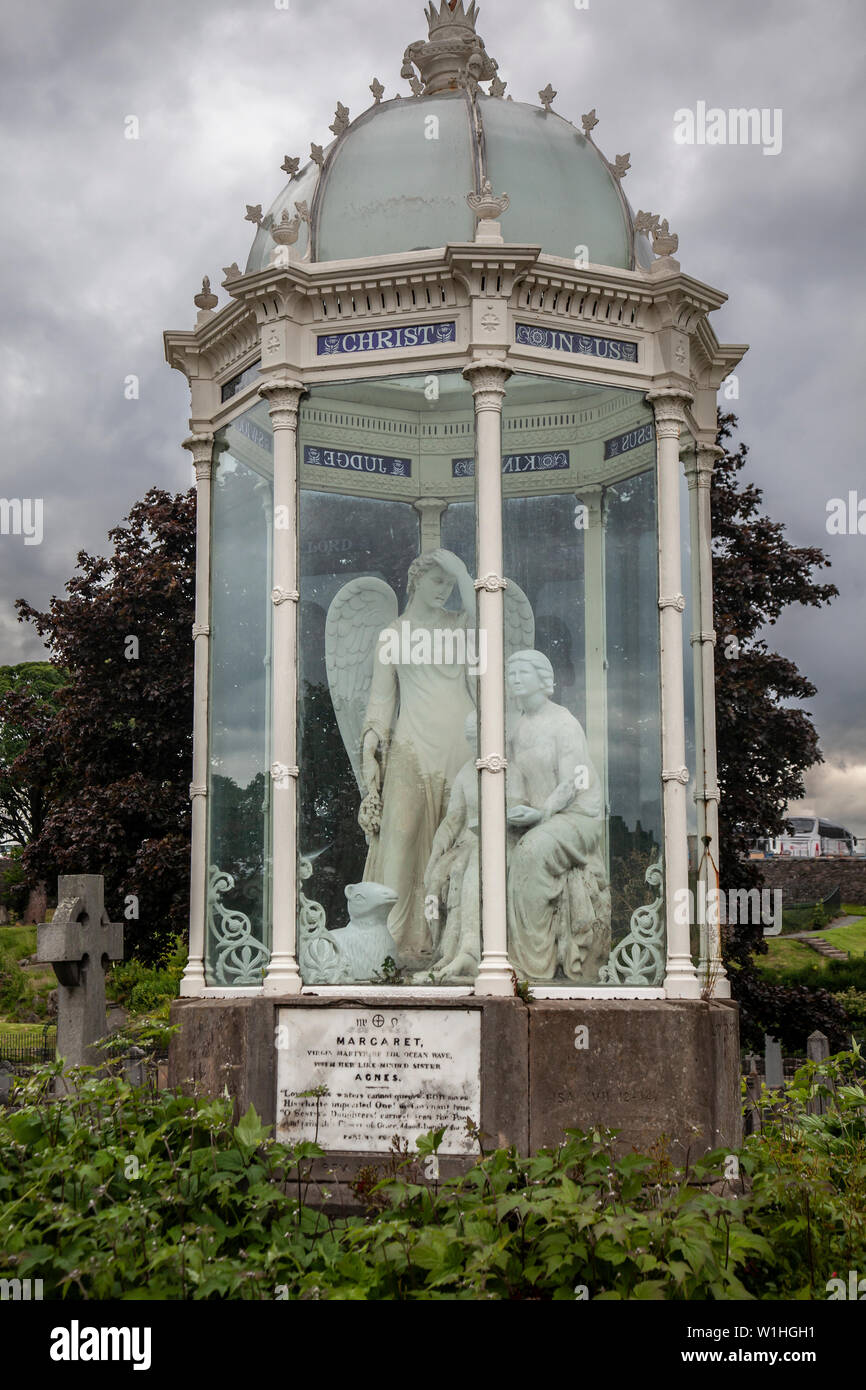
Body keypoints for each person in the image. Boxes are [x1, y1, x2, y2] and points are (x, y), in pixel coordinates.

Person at [361, 549, 476, 961]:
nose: (445, 591)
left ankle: (446, 939)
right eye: (438, 582)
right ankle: (387, 940)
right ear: (416, 581)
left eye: (450, 584)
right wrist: (372, 743)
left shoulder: (461, 626)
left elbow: (489, 618)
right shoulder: (393, 634)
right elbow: (380, 698)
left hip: (459, 741)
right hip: (411, 742)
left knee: (457, 842)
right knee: (401, 833)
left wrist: (464, 571)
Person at [505, 649, 610, 981]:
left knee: (530, 853)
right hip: (540, 817)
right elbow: (515, 783)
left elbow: (573, 783)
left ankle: (534, 965)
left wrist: (540, 814)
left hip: (576, 816)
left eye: (523, 672)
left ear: (543, 679)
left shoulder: (563, 723)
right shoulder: (518, 728)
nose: (515, 678)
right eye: (511, 673)